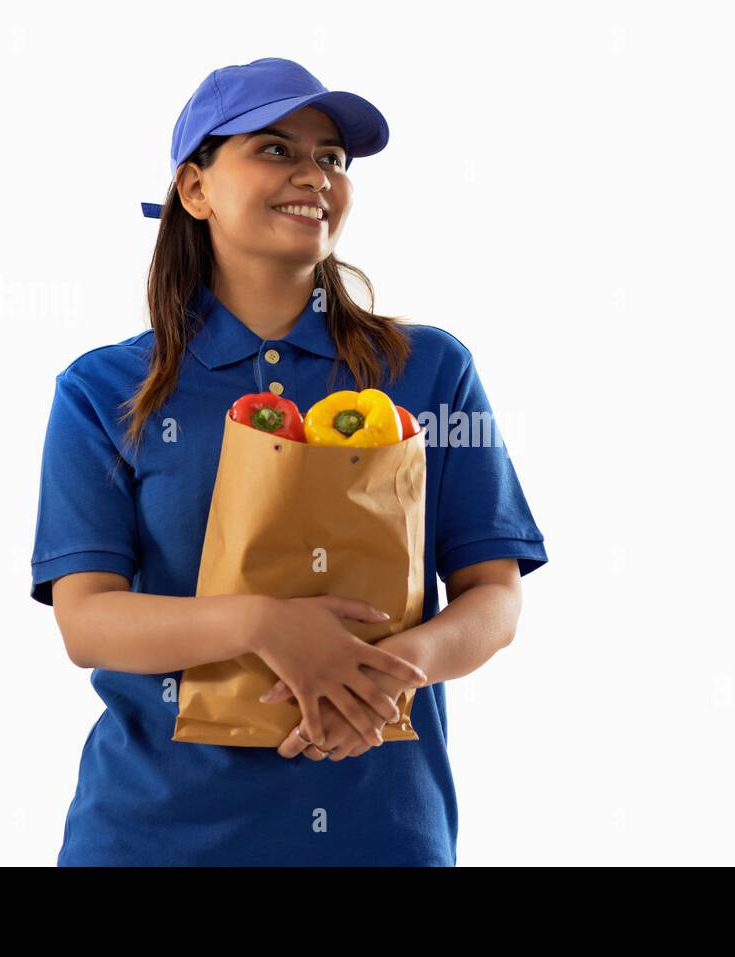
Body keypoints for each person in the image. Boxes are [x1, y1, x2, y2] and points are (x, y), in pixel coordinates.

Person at [28, 57, 549, 865]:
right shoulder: (104, 389)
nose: (315, 174)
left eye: (333, 158)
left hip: (379, 834)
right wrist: (265, 625)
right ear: (195, 190)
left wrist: (389, 671)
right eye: (276, 149)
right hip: (154, 836)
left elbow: (495, 596)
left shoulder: (430, 368)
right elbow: (87, 619)